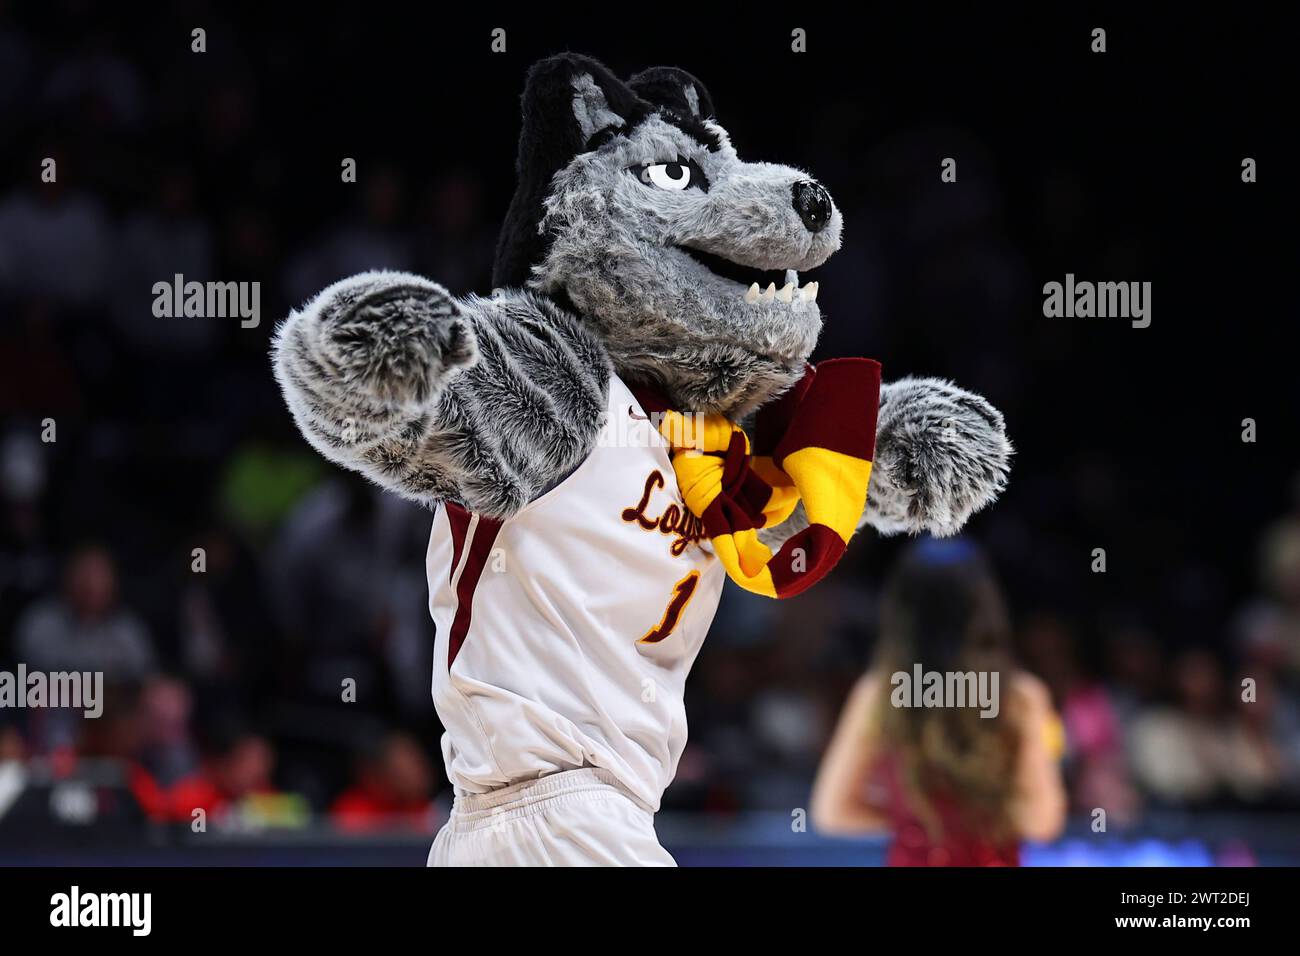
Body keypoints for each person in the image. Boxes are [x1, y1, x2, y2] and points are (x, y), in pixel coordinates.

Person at [811, 539, 1066, 865]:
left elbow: (833, 812)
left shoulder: (879, 693)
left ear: (901, 610)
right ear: (985, 605)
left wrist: (918, 823)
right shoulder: (1018, 696)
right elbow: (1040, 821)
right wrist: (972, 825)